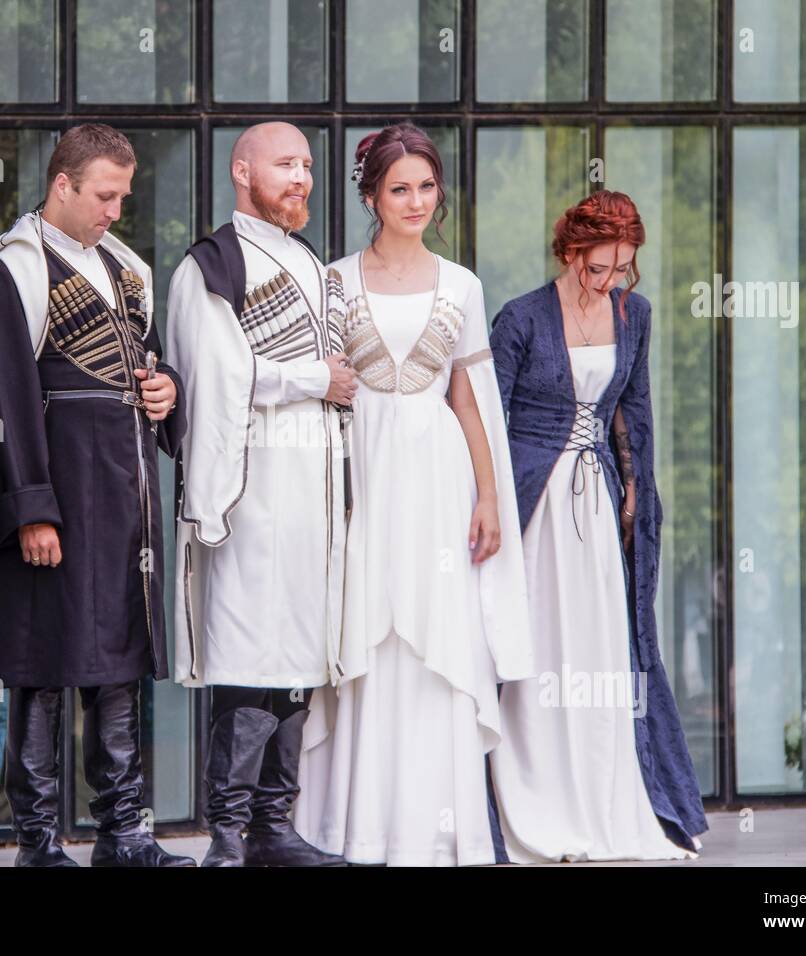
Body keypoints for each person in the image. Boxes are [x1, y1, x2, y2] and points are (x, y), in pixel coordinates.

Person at [291, 123, 534, 866]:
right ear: (371, 194)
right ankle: (355, 830)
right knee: (366, 632)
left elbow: (470, 402)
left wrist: (489, 498)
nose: (416, 200)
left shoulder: (462, 284)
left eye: (427, 187)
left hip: (438, 479)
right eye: (400, 188)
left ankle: (436, 834)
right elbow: (318, 395)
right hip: (360, 473)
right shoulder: (330, 280)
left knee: (437, 642)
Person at [0, 124, 193, 867]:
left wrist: (168, 392)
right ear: (62, 184)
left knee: (119, 662)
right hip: (59, 498)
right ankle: (36, 841)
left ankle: (121, 834)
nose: (114, 211)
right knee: (40, 664)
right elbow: (7, 390)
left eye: (123, 197)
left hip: (125, 496)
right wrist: (31, 507)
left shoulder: (127, 269)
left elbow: (151, 364)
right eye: (104, 195)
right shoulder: (14, 268)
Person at [488, 190, 708, 861]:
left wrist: (636, 490)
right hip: (533, 503)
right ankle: (536, 799)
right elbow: (486, 425)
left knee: (602, 652)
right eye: (598, 268)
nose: (609, 281)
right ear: (570, 250)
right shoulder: (520, 318)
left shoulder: (632, 316)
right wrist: (487, 508)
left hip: (598, 508)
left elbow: (633, 409)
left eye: (622, 270)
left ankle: (610, 800)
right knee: (537, 650)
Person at [166, 121, 352, 867]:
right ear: (243, 171)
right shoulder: (210, 265)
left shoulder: (309, 260)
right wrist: (315, 379)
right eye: (286, 164)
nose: (302, 177)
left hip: (312, 491)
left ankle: (275, 827)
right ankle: (228, 834)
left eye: (307, 165)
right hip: (247, 493)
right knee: (249, 656)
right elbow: (215, 376)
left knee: (299, 657)